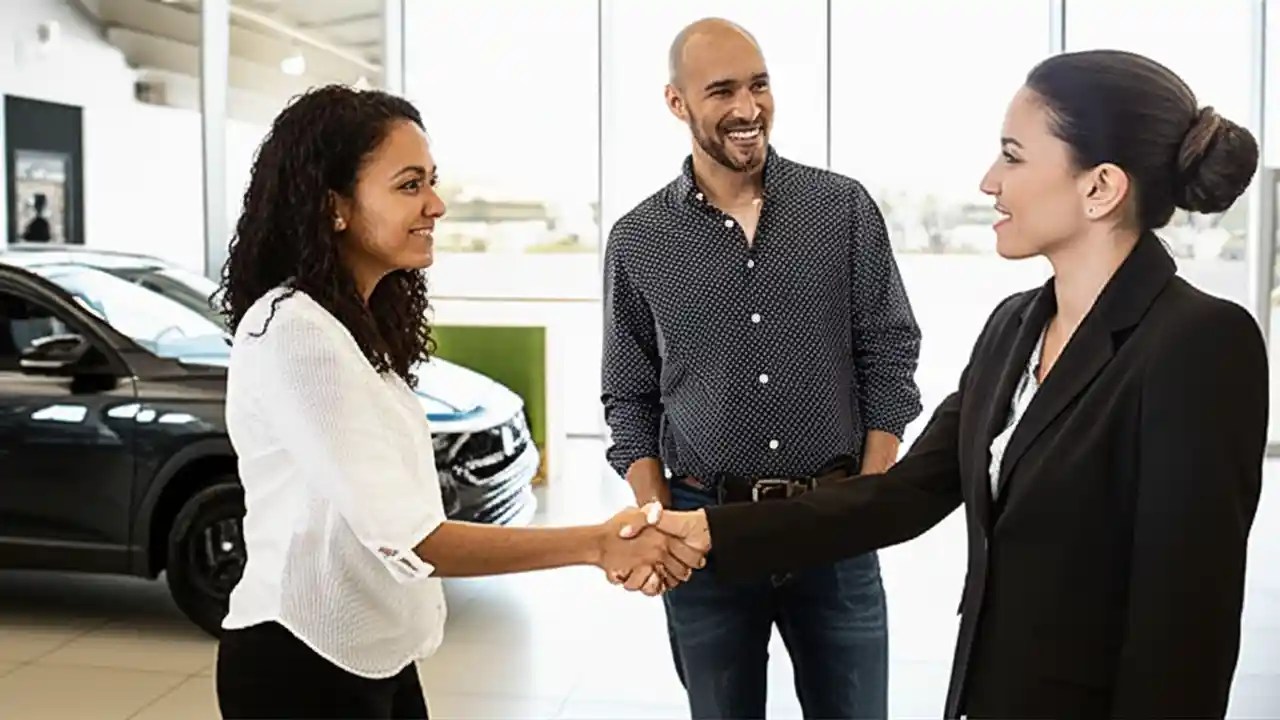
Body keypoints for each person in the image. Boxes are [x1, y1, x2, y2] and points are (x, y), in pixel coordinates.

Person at [635, 49, 1269, 719]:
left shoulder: (1198, 343)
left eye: (1014, 156)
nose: (990, 181)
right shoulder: (1014, 326)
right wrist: (711, 532)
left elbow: (1184, 632)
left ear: (1100, 187)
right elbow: (903, 497)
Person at [212, 85, 703, 720]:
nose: (436, 205)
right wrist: (597, 544)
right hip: (302, 661)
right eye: (409, 185)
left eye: (432, 182)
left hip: (376, 657)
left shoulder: (353, 325)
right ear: (335, 205)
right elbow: (415, 539)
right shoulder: (293, 331)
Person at [601, 17, 923, 720]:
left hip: (832, 527)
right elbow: (630, 397)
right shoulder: (638, 240)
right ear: (677, 103)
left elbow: (889, 352)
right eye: (721, 91)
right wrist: (655, 519)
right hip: (703, 533)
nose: (748, 109)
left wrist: (868, 498)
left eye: (759, 85)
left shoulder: (841, 209)